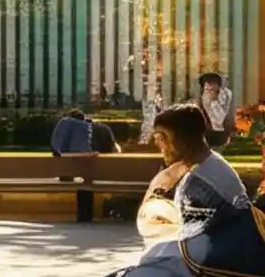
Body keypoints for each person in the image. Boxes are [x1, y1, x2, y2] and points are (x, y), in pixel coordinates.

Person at [107, 103, 259, 276]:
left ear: (185, 138)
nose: (160, 145)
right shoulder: (209, 164)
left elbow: (194, 249)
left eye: (163, 138)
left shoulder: (200, 182)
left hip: (220, 260)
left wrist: (153, 254)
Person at [50, 108, 96, 222]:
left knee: (81, 177)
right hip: (90, 172)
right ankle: (86, 214)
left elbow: (56, 149)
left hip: (68, 173)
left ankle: (82, 214)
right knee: (86, 178)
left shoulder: (64, 129)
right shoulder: (92, 131)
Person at [197, 73, 234, 149]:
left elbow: (219, 117)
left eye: (211, 86)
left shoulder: (225, 95)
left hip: (219, 132)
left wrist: (213, 101)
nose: (208, 89)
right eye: (206, 88)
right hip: (208, 132)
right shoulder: (205, 97)